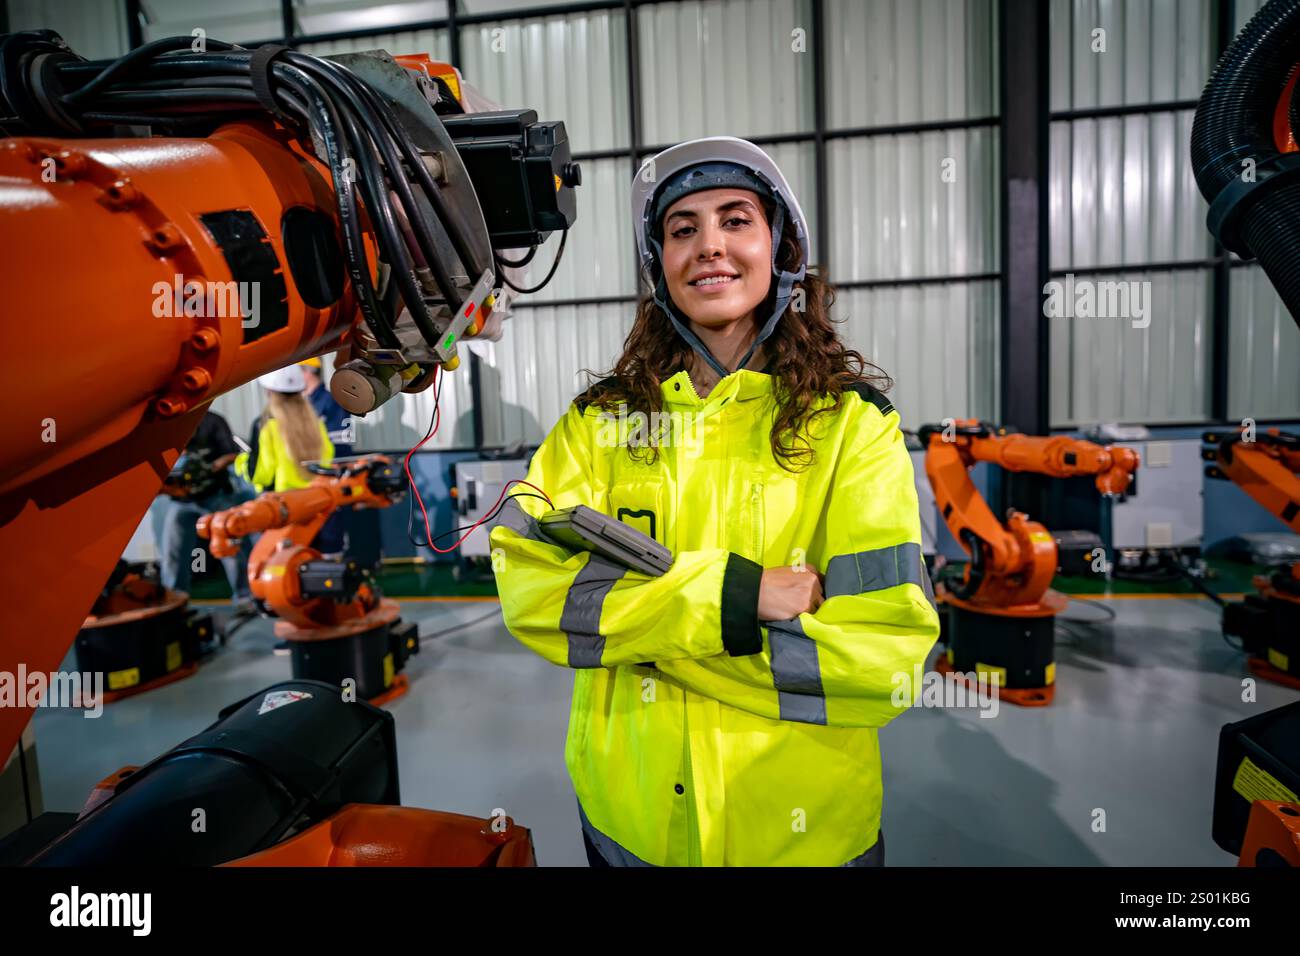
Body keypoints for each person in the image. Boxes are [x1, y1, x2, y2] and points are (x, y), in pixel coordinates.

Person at [489, 137, 940, 867]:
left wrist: (641, 642)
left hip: (804, 837)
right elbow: (532, 594)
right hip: (631, 824)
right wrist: (737, 597)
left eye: (735, 220)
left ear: (779, 248)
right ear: (660, 265)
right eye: (683, 229)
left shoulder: (853, 426)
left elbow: (882, 660)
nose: (709, 247)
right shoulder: (597, 425)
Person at [157, 409, 253, 607]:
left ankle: (245, 598)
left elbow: (231, 454)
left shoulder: (213, 421)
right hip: (181, 502)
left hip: (216, 496)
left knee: (231, 548)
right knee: (173, 551)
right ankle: (175, 601)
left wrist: (211, 468)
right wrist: (173, 490)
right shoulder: (166, 427)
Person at [298, 357, 382, 569]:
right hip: (307, 479)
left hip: (328, 477)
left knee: (331, 532)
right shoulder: (302, 404)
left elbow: (340, 445)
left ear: (307, 372)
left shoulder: (330, 401)